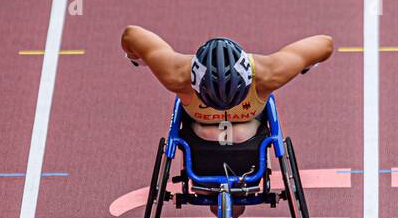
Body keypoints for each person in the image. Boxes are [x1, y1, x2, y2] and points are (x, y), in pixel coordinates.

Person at [120, 27, 334, 151]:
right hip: (247, 141)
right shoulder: (270, 73)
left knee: (222, 134)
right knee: (239, 133)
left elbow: (131, 35)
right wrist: (304, 65)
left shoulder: (175, 74)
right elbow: (325, 44)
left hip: (202, 140)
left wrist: (137, 59)